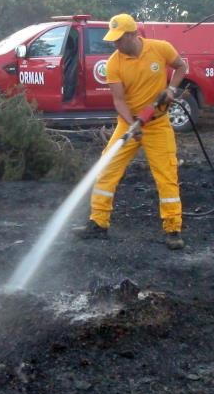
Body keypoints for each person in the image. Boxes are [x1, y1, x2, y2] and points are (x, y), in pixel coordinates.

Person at [76, 13, 189, 250]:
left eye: (119, 39)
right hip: (128, 124)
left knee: (166, 175)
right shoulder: (113, 64)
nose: (115, 44)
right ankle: (98, 222)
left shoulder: (161, 49)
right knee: (107, 167)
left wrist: (170, 89)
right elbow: (118, 101)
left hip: (157, 125)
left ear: (132, 34)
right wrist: (132, 124)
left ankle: (172, 228)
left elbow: (181, 66)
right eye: (113, 40)